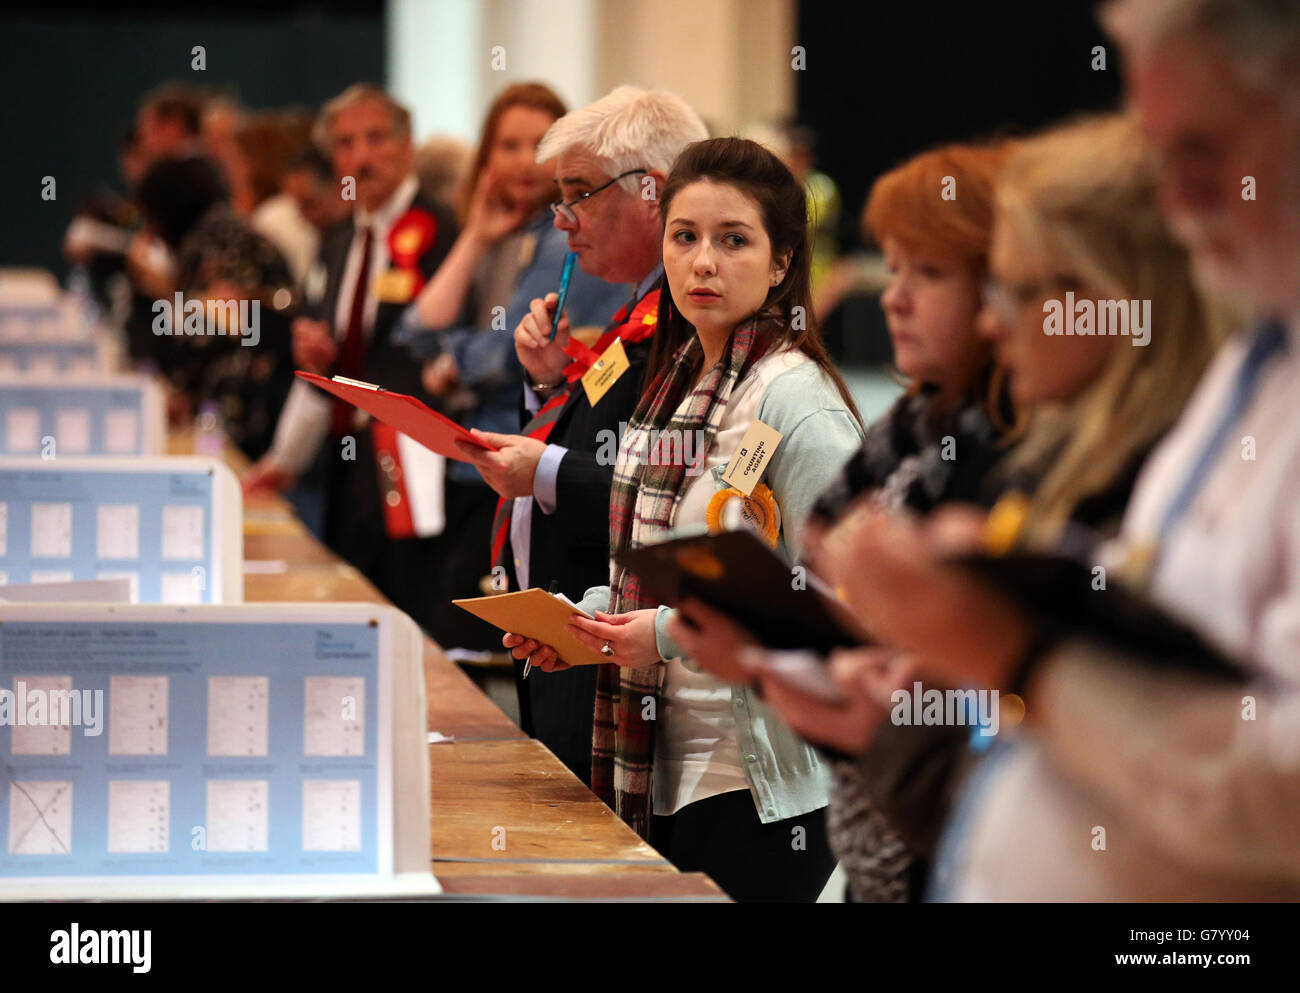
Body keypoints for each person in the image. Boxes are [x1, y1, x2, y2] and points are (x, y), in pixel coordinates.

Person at [808, 0, 1300, 901]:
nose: (1182, 199)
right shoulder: (1256, 364)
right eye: (1161, 158)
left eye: (1205, 153)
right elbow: (1164, 665)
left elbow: (1280, 786)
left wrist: (1015, 654)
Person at [502, 138, 866, 902]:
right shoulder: (672, 382)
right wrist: (584, 622)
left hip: (758, 784)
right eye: (686, 236)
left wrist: (662, 635)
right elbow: (641, 573)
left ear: (779, 264)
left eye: (734, 240)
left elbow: (838, 605)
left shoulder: (797, 401)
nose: (704, 261)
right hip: (654, 761)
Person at [665, 138, 1016, 901]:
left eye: (928, 273)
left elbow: (875, 646)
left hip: (948, 841)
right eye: (892, 269)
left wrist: (739, 649)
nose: (893, 297)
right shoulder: (908, 434)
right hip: (873, 831)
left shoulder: (1005, 458)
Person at [453, 86, 707, 784]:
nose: (561, 219)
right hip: (577, 636)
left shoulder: (689, 319)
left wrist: (544, 471)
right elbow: (611, 442)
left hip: (623, 654)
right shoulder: (642, 303)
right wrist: (546, 381)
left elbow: (667, 498)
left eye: (578, 193)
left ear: (650, 190)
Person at [393, 82, 626, 652]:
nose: (525, 162)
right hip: (476, 465)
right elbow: (417, 332)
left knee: (472, 643)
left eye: (538, 145)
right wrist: (475, 236)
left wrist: (454, 362)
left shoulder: (561, 238)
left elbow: (505, 351)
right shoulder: (504, 232)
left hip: (519, 462)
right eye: (508, 145)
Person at [244, 84, 458, 628]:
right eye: (345, 144)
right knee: (351, 610)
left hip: (415, 461)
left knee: (409, 618)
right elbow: (327, 365)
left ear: (407, 145)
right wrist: (284, 459)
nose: (361, 157)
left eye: (375, 139)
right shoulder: (340, 242)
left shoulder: (443, 231)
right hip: (345, 463)